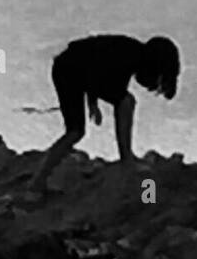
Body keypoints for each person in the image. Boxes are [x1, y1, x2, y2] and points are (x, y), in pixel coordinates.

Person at [27, 34, 180, 197]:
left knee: (78, 130)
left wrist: (92, 103)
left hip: (71, 67)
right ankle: (126, 159)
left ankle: (37, 183)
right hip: (69, 70)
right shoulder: (128, 57)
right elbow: (97, 73)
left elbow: (95, 66)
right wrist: (92, 102)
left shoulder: (131, 53)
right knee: (119, 106)